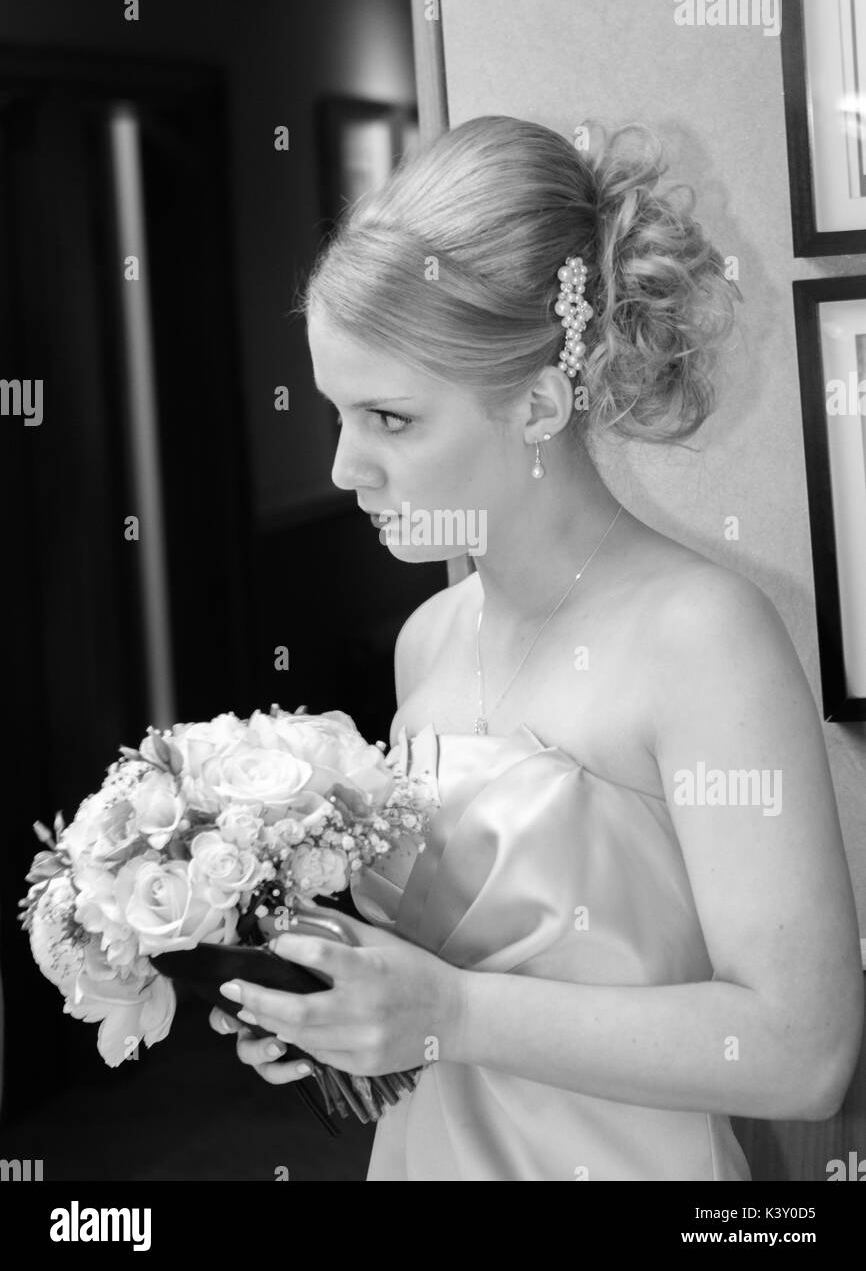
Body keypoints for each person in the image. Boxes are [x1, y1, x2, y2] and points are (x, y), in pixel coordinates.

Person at [209, 115, 863, 1181]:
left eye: (389, 417)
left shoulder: (700, 637)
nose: (342, 468)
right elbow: (442, 997)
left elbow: (803, 1052)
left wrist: (450, 1012)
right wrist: (338, 1014)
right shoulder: (425, 642)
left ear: (538, 403)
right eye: (337, 413)